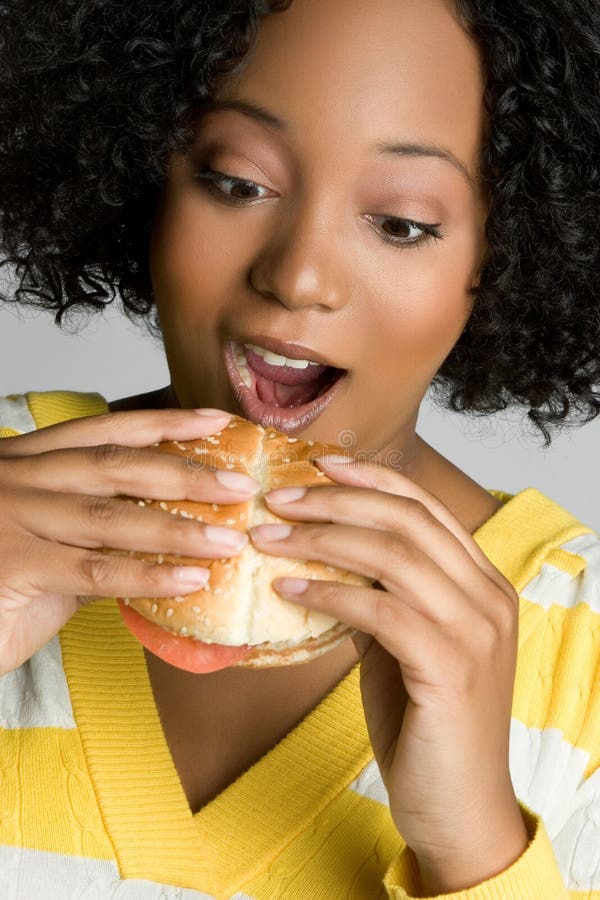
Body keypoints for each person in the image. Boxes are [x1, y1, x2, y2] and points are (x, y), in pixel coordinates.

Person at [0, 0, 599, 896]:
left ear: (502, 256)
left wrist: (477, 849)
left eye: (400, 223)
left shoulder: (582, 649)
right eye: (238, 181)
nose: (299, 275)